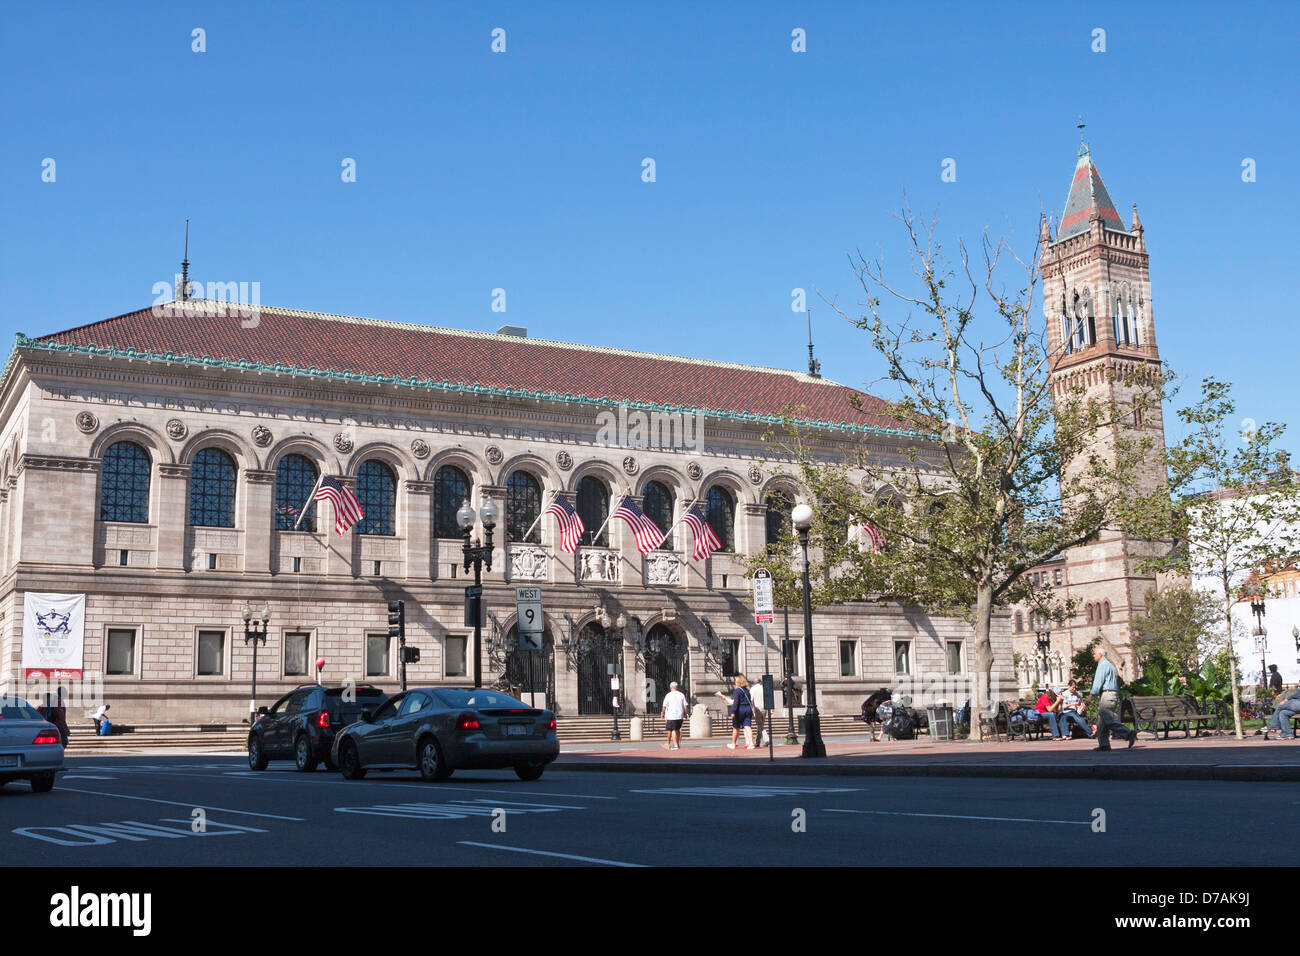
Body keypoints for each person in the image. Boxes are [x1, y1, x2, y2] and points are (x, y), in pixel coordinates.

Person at [1085, 646, 1135, 750]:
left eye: (1095, 653)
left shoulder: (1102, 665)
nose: (1093, 655)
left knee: (1107, 718)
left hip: (1107, 694)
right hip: (1112, 694)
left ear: (1100, 654)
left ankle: (1128, 733)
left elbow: (1098, 682)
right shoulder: (1110, 665)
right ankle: (1104, 745)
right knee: (1101, 721)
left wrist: (1090, 696)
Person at [716, 676, 755, 750]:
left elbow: (736, 702)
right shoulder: (747, 690)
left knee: (736, 727)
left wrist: (733, 711)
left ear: (738, 682)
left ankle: (733, 743)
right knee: (748, 726)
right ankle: (751, 743)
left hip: (740, 709)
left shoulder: (737, 691)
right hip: (748, 709)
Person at [660, 681, 688, 750]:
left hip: (671, 716)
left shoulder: (668, 695)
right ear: (677, 687)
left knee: (673, 730)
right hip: (680, 715)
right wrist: (686, 713)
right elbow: (685, 706)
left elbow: (664, 706)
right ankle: (677, 744)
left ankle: (675, 745)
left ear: (670, 687)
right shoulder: (681, 695)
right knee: (677, 730)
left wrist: (662, 713)